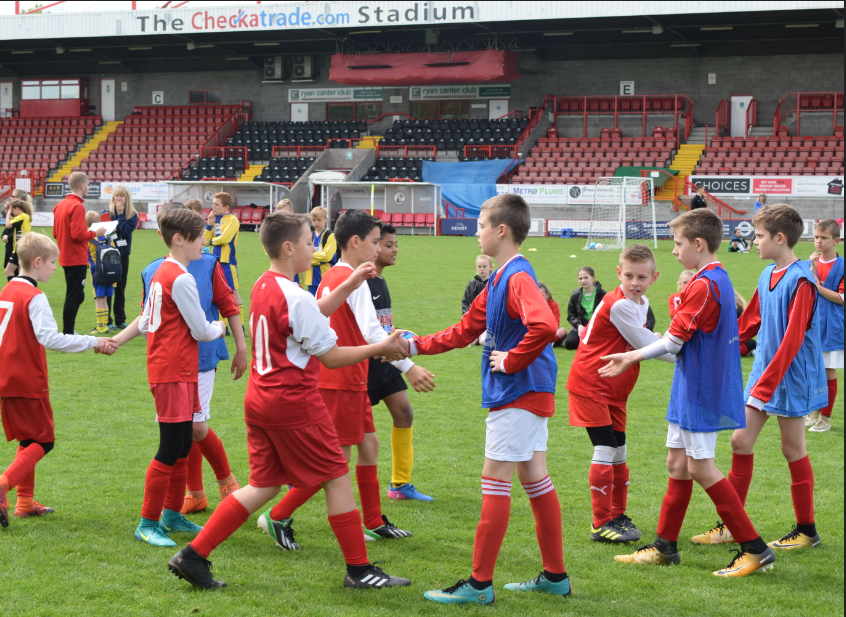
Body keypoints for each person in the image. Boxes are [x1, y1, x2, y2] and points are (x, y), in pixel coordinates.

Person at [166, 212, 412, 590]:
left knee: (263, 486)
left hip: (260, 399)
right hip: (293, 401)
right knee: (336, 477)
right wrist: (380, 348)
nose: (314, 249)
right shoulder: (295, 295)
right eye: (309, 242)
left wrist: (349, 283)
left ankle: (193, 556)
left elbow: (309, 313)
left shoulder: (265, 284)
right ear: (287, 248)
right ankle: (359, 571)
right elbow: (331, 356)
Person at [406, 194, 570, 605]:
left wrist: (512, 360)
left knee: (495, 482)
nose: (476, 233)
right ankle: (555, 576)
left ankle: (479, 585)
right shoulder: (499, 278)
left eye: (480, 225)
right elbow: (464, 330)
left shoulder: (516, 277)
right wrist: (413, 345)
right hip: (528, 391)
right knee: (536, 481)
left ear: (501, 230)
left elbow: (545, 325)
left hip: (518, 391)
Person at [604, 208, 775, 578]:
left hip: (700, 388)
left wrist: (631, 356)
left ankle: (755, 548)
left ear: (698, 244)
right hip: (689, 384)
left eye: (678, 243)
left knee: (700, 466)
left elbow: (675, 341)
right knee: (678, 464)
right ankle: (665, 547)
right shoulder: (712, 278)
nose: (674, 250)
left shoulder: (705, 284)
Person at [260, 210, 413, 545]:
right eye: (375, 242)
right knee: (335, 461)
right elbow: (372, 332)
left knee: (369, 445)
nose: (379, 248)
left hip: (352, 379)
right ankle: (277, 515)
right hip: (339, 381)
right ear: (356, 242)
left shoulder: (339, 275)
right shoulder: (352, 279)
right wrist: (409, 366)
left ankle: (373, 520)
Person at [691, 204, 827, 553]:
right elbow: (750, 321)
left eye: (760, 236)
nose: (754, 241)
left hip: (790, 377)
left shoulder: (802, 281)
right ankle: (731, 525)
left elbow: (793, 341)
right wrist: (711, 346)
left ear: (780, 238)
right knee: (740, 442)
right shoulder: (767, 274)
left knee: (792, 448)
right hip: (764, 373)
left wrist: (765, 384)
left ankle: (807, 530)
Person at [131, 200, 247, 516]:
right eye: (199, 235)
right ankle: (192, 495)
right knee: (185, 433)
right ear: (173, 236)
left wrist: (241, 347)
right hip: (172, 363)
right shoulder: (154, 270)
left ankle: (224, 481)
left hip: (202, 357)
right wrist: (117, 339)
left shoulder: (208, 263)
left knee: (192, 428)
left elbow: (228, 304)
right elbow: (146, 317)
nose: (203, 240)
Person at [0, 233, 115, 526]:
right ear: (38, 262)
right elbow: (50, 339)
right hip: (27, 379)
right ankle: (2, 485)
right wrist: (92, 341)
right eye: (53, 262)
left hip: (7, 377)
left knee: (28, 439)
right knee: (44, 441)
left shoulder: (7, 289)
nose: (55, 267)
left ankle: (24, 503)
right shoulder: (34, 296)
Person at [567, 245, 672, 545]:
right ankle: (600, 524)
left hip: (614, 387)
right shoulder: (619, 305)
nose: (635, 283)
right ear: (618, 273)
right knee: (606, 449)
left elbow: (648, 339)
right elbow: (648, 346)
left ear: (654, 277)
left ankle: (617, 515)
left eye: (642, 277)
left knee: (620, 452)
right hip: (592, 383)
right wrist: (692, 358)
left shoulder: (641, 302)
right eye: (629, 276)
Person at [366, 223, 436, 501]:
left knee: (404, 413)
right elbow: (368, 332)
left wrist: (398, 333)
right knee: (343, 433)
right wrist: (408, 365)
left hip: (386, 361)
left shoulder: (380, 280)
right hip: (364, 366)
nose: (395, 250)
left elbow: (381, 325)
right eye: (388, 245)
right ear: (373, 247)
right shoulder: (362, 283)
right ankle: (300, 480)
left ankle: (399, 485)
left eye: (396, 245)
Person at [53, 172, 105, 335]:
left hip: (65, 256)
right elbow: (77, 235)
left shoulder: (60, 205)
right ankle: (68, 332)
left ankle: (68, 330)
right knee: (74, 296)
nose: (88, 188)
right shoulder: (77, 206)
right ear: (82, 186)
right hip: (76, 258)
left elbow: (55, 233)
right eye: (87, 185)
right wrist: (95, 233)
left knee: (76, 295)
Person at [803, 219, 843, 433]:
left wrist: (818, 287)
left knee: (828, 370)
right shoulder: (810, 263)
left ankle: (825, 418)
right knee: (812, 369)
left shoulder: (842, 266)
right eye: (816, 237)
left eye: (824, 238)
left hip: (832, 326)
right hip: (811, 324)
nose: (818, 241)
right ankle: (813, 411)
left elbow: (842, 298)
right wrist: (811, 269)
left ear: (836, 241)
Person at [204, 193, 244, 329]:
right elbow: (204, 241)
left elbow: (225, 239)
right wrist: (209, 225)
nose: (213, 207)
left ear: (226, 207)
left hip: (228, 262)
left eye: (216, 204)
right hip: (214, 263)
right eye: (213, 204)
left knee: (233, 293)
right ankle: (224, 326)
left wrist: (212, 241)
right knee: (218, 294)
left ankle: (241, 325)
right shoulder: (214, 219)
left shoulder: (232, 220)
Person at [103, 185, 139, 330]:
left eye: (121, 196)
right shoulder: (107, 213)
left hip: (122, 255)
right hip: (108, 255)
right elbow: (104, 231)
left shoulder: (132, 215)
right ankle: (107, 320)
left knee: (120, 287)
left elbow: (125, 230)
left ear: (127, 198)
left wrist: (120, 215)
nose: (118, 199)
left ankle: (120, 319)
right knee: (108, 287)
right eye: (116, 196)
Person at [84, 210, 119, 335]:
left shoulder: (88, 238)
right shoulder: (107, 237)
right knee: (105, 299)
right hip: (110, 271)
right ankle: (105, 325)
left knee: (98, 299)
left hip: (96, 272)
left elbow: (85, 254)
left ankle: (100, 327)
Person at [564, 267, 606, 350]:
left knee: (599, 343)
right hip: (581, 327)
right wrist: (578, 325)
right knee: (570, 343)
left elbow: (606, 314)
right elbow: (571, 315)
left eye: (586, 277)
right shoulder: (575, 295)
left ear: (593, 278)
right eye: (580, 278)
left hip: (597, 327)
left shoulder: (602, 294)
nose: (583, 281)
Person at [301, 206, 337, 296]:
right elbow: (303, 255)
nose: (316, 222)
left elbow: (327, 257)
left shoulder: (330, 236)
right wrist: (318, 259)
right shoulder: (309, 235)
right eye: (314, 220)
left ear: (326, 219)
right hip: (311, 279)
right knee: (312, 303)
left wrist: (310, 257)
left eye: (319, 220)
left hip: (326, 277)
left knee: (325, 303)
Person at [463, 255, 492, 346]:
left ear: (490, 267)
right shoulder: (472, 284)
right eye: (479, 266)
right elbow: (465, 302)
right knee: (471, 342)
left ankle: (485, 335)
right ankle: (477, 335)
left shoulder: (493, 283)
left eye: (484, 266)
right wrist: (466, 316)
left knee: (483, 341)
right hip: (474, 321)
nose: (481, 269)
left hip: (487, 322)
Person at [3, 198, 32, 281]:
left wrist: (8, 212)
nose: (12, 212)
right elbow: (12, 221)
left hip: (20, 247)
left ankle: (13, 287)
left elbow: (8, 225)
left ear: (17, 209)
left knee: (8, 271)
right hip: (23, 247)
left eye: (12, 210)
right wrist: (8, 210)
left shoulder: (22, 216)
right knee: (20, 273)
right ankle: (22, 287)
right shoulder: (24, 216)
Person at [538, 283, 567, 347]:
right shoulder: (533, 305)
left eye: (542, 295)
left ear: (547, 295)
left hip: (550, 331)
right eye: (538, 295)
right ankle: (550, 343)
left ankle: (549, 342)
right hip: (537, 332)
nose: (540, 298)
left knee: (562, 331)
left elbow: (556, 324)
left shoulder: (553, 305)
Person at [735, 291, 757, 357]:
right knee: (753, 343)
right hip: (737, 343)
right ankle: (751, 352)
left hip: (724, 344)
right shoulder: (740, 312)